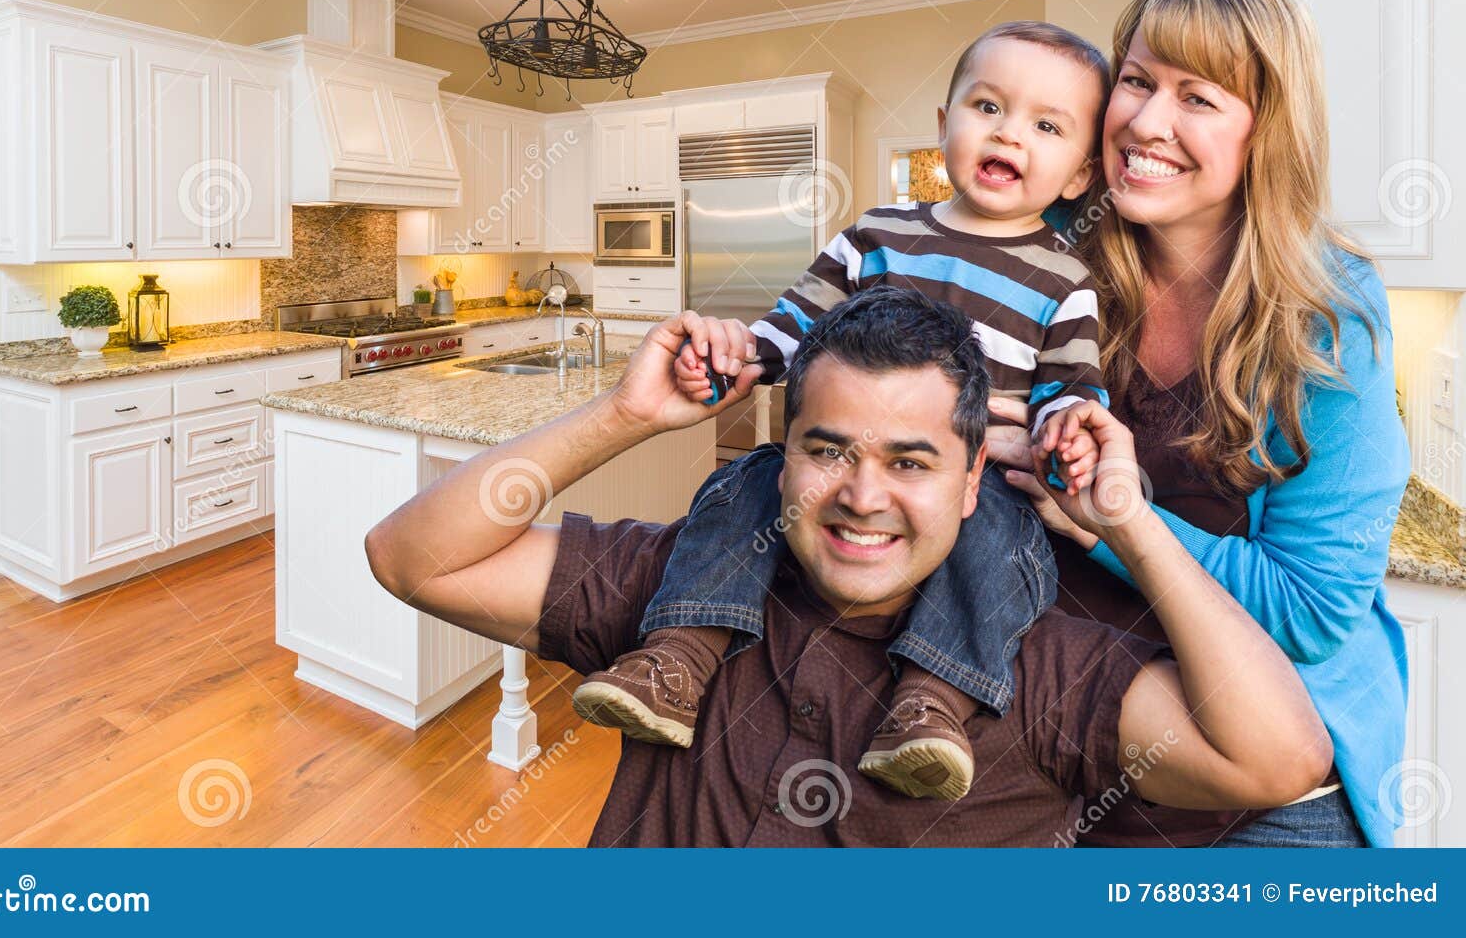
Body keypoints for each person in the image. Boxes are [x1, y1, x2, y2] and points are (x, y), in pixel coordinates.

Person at [363, 288, 1333, 847]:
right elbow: (409, 556)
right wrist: (625, 414)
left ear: (969, 483)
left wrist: (1126, 522)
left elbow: (1277, 755)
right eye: (826, 450)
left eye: (910, 461)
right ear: (778, 460)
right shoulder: (681, 596)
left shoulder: (1035, 667)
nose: (863, 494)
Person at [572, 21, 1114, 802]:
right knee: (747, 481)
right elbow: (791, 326)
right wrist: (736, 358)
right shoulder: (876, 235)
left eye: (1045, 125)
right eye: (987, 106)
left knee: (1003, 537)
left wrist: (1068, 430)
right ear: (944, 128)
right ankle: (678, 657)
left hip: (972, 480)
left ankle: (932, 705)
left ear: (1076, 176)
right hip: (836, 460)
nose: (1008, 133)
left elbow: (1073, 389)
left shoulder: (1065, 279)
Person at [991, 0, 1410, 847]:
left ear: (1268, 134)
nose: (1147, 123)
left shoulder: (1328, 317)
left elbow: (1308, 610)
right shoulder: (1046, 260)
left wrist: (1103, 525)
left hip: (1264, 780)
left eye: (1199, 98)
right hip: (1067, 735)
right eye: (1137, 82)